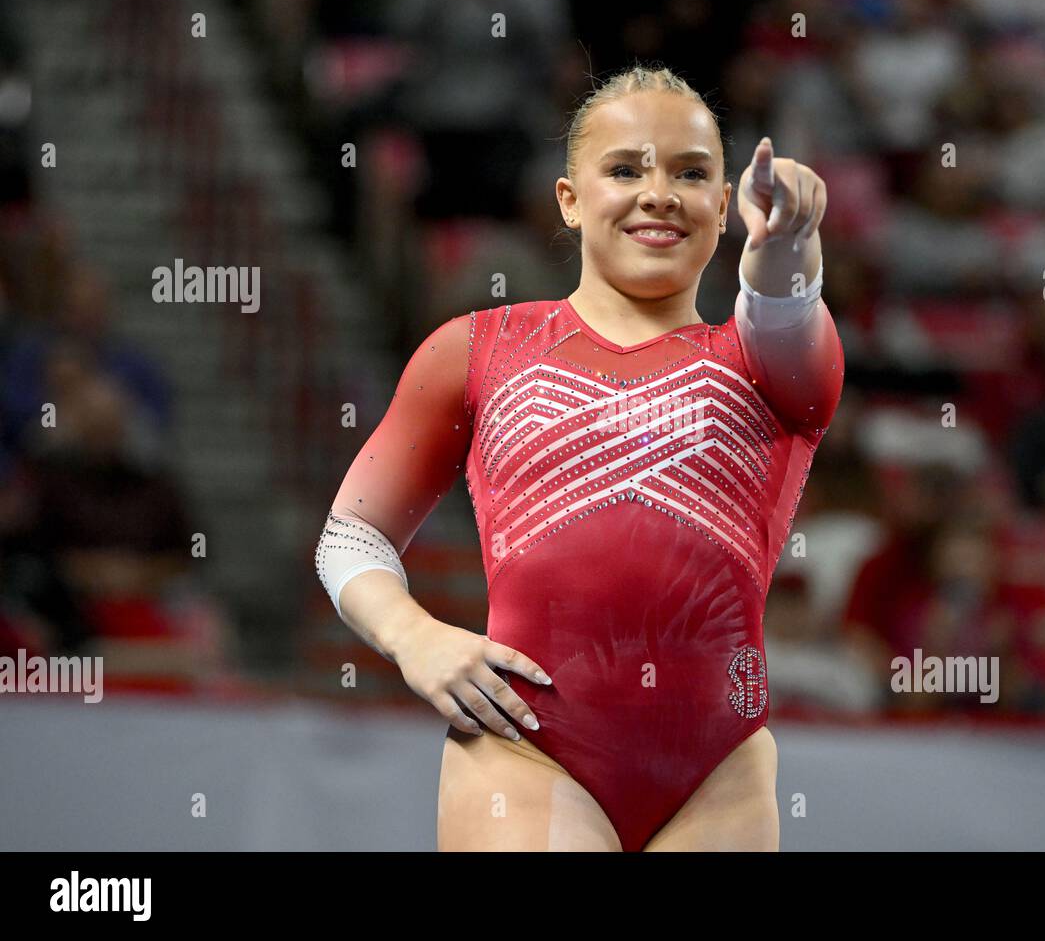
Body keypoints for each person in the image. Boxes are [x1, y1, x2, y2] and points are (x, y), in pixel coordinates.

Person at [315, 66, 844, 851]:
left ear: (726, 207)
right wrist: (413, 636)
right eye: (625, 169)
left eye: (691, 173)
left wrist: (787, 248)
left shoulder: (768, 368)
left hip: (720, 775)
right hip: (527, 750)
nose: (660, 193)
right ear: (569, 199)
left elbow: (781, 313)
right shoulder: (475, 352)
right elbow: (352, 537)